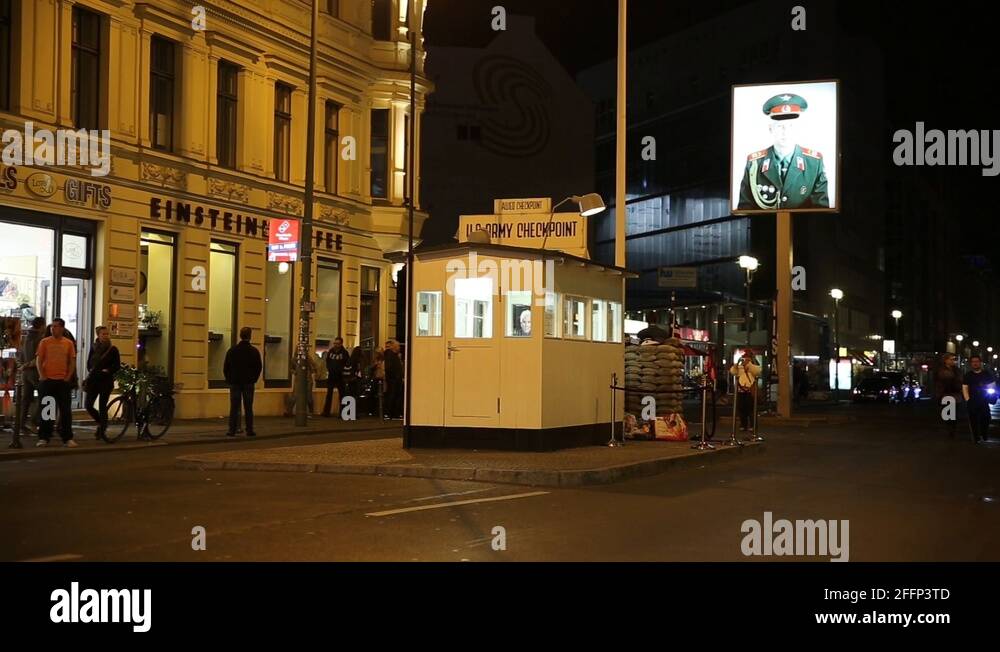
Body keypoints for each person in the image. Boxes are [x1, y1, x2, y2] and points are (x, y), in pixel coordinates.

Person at [737, 93, 830, 210]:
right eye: (780, 126)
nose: (785, 132)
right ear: (770, 129)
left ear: (799, 128)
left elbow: (821, 209)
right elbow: (745, 208)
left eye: (791, 126)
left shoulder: (814, 162)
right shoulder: (754, 163)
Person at [36, 318, 77, 447]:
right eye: (52, 326)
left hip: (62, 381)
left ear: (62, 328)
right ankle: (44, 437)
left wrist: (68, 377)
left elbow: (72, 361)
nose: (53, 329)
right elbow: (39, 359)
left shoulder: (68, 343)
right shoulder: (44, 342)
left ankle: (67, 437)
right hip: (47, 381)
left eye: (57, 326)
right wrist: (42, 375)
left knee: (65, 411)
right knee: (47, 411)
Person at [223, 327, 262, 437]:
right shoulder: (254, 351)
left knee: (234, 407)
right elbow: (258, 367)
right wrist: (253, 379)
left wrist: (229, 379)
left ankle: (232, 429)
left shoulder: (232, 350)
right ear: (250, 336)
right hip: (248, 382)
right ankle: (249, 429)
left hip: (235, 382)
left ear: (240, 335)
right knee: (248, 407)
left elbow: (226, 367)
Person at [84, 326, 121, 441]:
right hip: (94, 380)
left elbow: (117, 365)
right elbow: (89, 362)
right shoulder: (94, 347)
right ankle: (102, 423)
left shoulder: (113, 349)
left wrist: (108, 370)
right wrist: (90, 369)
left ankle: (102, 429)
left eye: (107, 334)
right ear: (98, 335)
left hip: (105, 381)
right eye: (103, 334)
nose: (105, 336)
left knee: (102, 405)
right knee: (88, 405)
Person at [17, 317, 46, 434]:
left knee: (26, 400)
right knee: (45, 397)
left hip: (25, 373)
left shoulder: (24, 337)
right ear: (42, 326)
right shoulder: (41, 339)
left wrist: (23, 366)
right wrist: (29, 365)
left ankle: (21, 424)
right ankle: (35, 421)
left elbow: (20, 354)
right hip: (36, 372)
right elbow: (39, 358)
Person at [962, 354, 996, 444]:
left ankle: (984, 433)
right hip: (972, 400)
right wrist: (967, 399)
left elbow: (992, 385)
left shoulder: (986, 374)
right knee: (973, 420)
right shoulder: (968, 375)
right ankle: (976, 437)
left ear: (980, 363)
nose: (975, 363)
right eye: (973, 362)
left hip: (984, 400)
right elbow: (965, 388)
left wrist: (992, 396)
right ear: (971, 364)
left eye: (977, 361)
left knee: (986, 418)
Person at [729, 351, 761, 432]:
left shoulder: (754, 366)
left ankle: (753, 425)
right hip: (741, 390)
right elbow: (733, 371)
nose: (746, 359)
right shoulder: (740, 367)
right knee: (741, 409)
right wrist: (737, 364)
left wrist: (749, 364)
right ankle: (743, 424)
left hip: (750, 391)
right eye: (745, 358)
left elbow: (757, 371)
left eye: (748, 358)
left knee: (751, 409)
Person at [935, 353, 964, 438]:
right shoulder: (942, 370)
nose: (953, 361)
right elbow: (941, 381)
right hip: (946, 394)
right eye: (951, 359)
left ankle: (952, 429)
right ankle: (950, 428)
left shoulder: (957, 370)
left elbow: (960, 380)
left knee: (954, 413)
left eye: (954, 359)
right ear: (946, 360)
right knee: (947, 413)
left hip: (956, 394)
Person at [322, 337, 350, 417]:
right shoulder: (331, 351)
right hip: (331, 376)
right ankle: (326, 412)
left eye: (337, 343)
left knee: (342, 395)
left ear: (341, 344)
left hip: (340, 377)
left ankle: (342, 412)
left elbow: (347, 363)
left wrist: (342, 371)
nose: (336, 345)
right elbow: (327, 361)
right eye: (335, 343)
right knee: (329, 394)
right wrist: (330, 369)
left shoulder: (344, 353)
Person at [383, 339, 404, 419]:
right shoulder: (390, 355)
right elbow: (389, 368)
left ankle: (392, 413)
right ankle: (391, 413)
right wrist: (396, 377)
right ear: (394, 347)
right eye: (398, 346)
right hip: (393, 380)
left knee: (394, 396)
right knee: (393, 396)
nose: (399, 348)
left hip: (395, 379)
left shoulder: (394, 355)